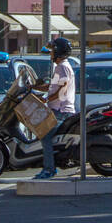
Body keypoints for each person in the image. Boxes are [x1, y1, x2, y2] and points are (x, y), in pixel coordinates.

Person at [32, 38, 77, 180]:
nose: (50, 53)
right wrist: (31, 87)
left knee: (45, 136)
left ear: (58, 51)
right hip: (57, 110)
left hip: (62, 111)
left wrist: (46, 99)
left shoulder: (62, 66)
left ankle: (49, 169)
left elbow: (62, 90)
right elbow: (51, 87)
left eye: (52, 50)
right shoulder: (60, 66)